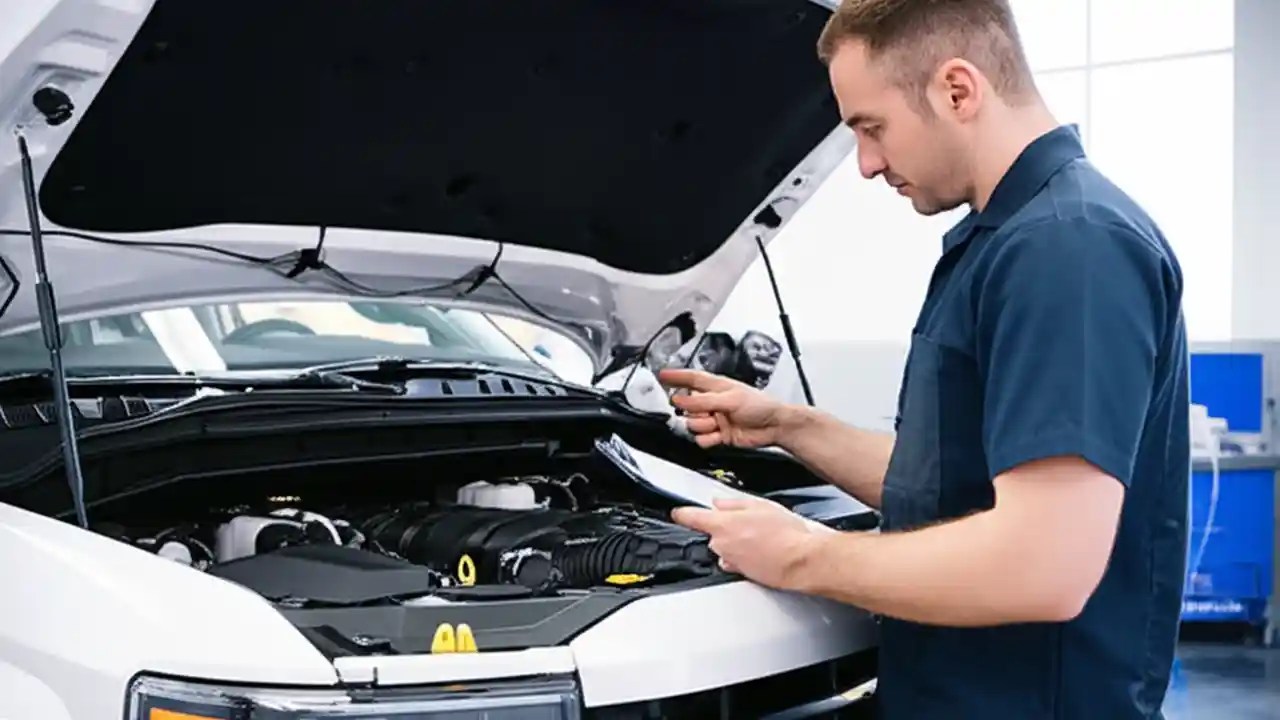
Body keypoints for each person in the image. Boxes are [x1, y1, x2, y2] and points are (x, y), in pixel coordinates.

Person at [660, 1, 1190, 718]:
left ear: (958, 89)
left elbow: (1046, 565)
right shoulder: (1004, 241)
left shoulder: (1069, 250)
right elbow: (952, 485)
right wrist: (788, 424)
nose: (868, 165)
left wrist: (802, 555)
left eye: (870, 129)